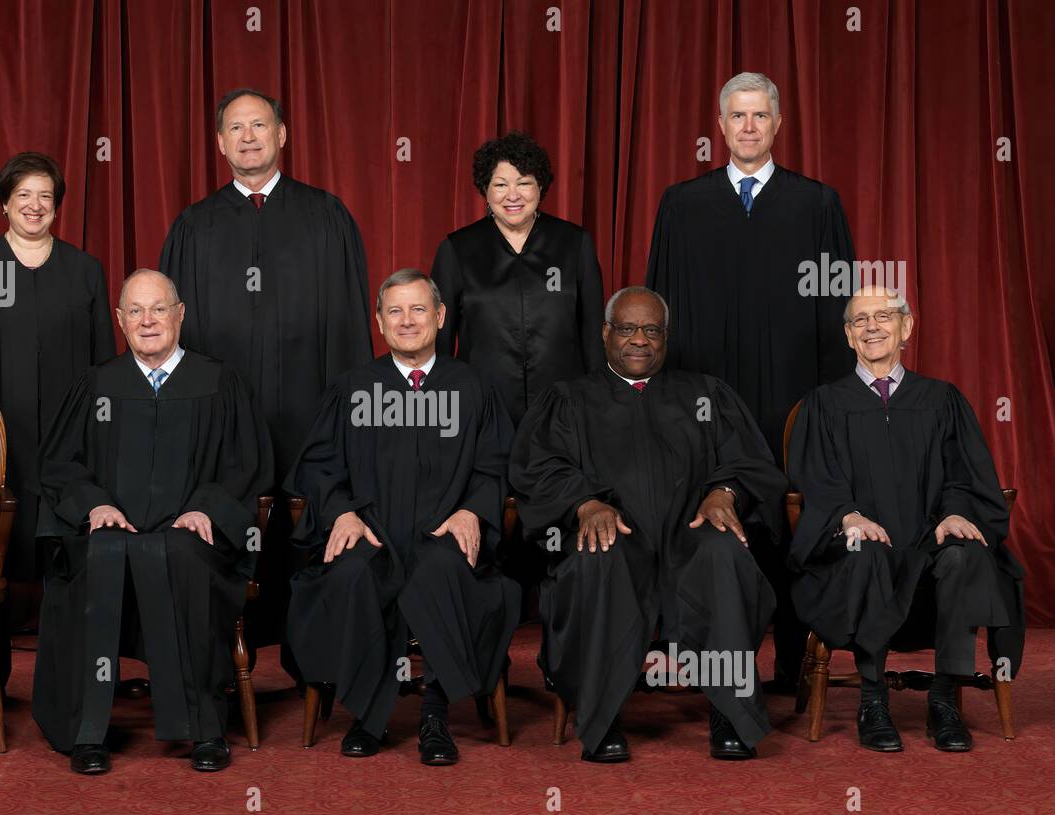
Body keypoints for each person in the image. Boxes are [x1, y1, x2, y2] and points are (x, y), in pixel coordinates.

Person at [509, 287, 787, 762]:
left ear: (665, 337)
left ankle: (731, 711)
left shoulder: (706, 394)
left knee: (724, 553)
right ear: (606, 333)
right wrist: (585, 504)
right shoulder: (569, 400)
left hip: (689, 534)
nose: (639, 339)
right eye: (627, 328)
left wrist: (725, 492)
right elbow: (538, 468)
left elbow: (750, 461)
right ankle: (603, 715)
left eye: (651, 330)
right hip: (615, 536)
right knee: (599, 555)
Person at [645, 71, 856, 688]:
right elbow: (658, 311)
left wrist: (827, 407)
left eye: (759, 115)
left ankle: (792, 662)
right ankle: (705, 663)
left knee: (789, 524)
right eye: (736, 115)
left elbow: (837, 313)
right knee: (707, 519)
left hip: (791, 396)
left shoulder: (816, 204)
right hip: (704, 400)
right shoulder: (682, 204)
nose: (748, 126)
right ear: (719, 125)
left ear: (778, 124)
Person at [160, 88, 372, 665]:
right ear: (220, 142)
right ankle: (227, 664)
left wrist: (347, 413)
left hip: (310, 409)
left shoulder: (326, 216)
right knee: (226, 523)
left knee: (310, 521)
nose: (248, 137)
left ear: (282, 134)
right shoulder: (194, 226)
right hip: (224, 417)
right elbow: (172, 338)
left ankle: (314, 661)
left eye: (259, 125)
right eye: (236, 127)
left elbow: (349, 324)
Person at [32, 270, 273, 774]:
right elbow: (59, 464)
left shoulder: (219, 382)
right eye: (136, 311)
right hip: (111, 532)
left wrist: (206, 507)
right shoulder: (96, 385)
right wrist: (94, 505)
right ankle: (88, 731)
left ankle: (204, 727)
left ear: (179, 314)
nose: (148, 321)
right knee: (99, 554)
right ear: (120, 320)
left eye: (159, 309)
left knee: (184, 557)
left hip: (190, 535)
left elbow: (247, 464)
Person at [285, 269, 519, 765]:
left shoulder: (474, 387)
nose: (407, 321)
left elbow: (496, 464)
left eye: (418, 309)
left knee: (442, 568)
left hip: (442, 536)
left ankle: (435, 715)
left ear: (440, 316)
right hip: (373, 534)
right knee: (353, 572)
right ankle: (366, 716)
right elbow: (319, 466)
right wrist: (342, 513)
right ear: (379, 321)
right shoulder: (353, 389)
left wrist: (472, 511)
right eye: (395, 311)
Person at [787, 286, 1025, 752]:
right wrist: (847, 515)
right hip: (853, 553)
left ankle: (944, 699)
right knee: (866, 550)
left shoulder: (941, 399)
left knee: (963, 555)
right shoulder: (825, 404)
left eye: (883, 316)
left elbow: (966, 472)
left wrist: (955, 512)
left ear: (906, 327)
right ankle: (873, 699)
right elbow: (814, 477)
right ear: (849, 336)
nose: (871, 327)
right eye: (860, 320)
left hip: (926, 547)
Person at [0, 151, 115, 682]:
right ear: (4, 203)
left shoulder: (84, 270)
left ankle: (74, 674)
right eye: (23, 195)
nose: (34, 205)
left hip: (70, 441)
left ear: (57, 206)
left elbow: (103, 364)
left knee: (70, 548)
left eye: (45, 196)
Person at [431, 131, 605, 426]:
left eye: (524, 183)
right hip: (481, 409)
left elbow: (593, 334)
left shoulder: (574, 244)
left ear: (540, 187)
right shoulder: (457, 249)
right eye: (500, 185)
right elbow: (440, 340)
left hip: (563, 409)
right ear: (485, 190)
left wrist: (596, 402)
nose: (513, 195)